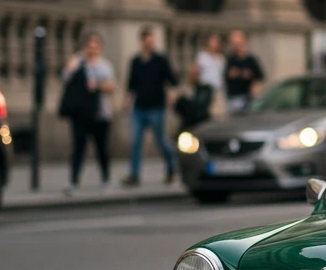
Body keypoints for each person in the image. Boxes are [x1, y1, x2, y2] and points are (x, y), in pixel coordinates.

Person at [60, 32, 116, 195]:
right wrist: (72, 66)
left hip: (100, 113)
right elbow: (65, 79)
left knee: (102, 148)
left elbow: (111, 87)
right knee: (78, 148)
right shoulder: (77, 62)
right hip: (81, 113)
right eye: (89, 46)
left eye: (95, 46)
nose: (92, 50)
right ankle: (73, 181)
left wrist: (97, 85)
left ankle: (106, 179)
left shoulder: (104, 66)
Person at [124, 26, 179, 186]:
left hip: (156, 107)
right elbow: (131, 85)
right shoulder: (136, 61)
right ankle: (134, 175)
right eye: (147, 40)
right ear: (142, 41)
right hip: (139, 108)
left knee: (161, 140)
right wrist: (127, 101)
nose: (150, 43)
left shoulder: (160, 60)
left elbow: (172, 80)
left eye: (152, 40)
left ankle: (171, 169)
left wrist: (172, 95)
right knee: (135, 142)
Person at [224, 29, 265, 113]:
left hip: (247, 99)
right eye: (232, 43)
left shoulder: (251, 60)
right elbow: (226, 76)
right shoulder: (230, 60)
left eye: (237, 43)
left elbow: (260, 77)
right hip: (233, 98)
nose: (235, 46)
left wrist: (254, 90)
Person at [173, 61, 214, 130]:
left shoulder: (206, 88)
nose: (193, 75)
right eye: (192, 73)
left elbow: (200, 105)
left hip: (202, 122)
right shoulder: (185, 88)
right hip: (188, 123)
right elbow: (177, 106)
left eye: (196, 73)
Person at [195, 33, 226, 118]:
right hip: (206, 90)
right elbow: (196, 71)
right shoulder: (202, 56)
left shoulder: (221, 58)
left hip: (217, 91)